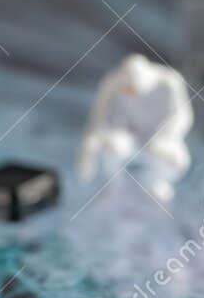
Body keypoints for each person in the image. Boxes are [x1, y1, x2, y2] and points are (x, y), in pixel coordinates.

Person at [77, 53, 193, 203]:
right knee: (111, 147)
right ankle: (114, 183)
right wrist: (88, 149)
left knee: (177, 160)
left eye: (134, 90)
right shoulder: (113, 82)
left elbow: (182, 117)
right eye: (127, 90)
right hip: (127, 134)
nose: (131, 94)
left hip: (159, 136)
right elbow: (99, 118)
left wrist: (165, 136)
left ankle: (154, 182)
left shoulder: (170, 81)